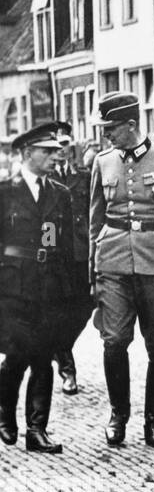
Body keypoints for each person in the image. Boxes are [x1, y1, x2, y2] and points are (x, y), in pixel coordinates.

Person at [88, 91, 154, 450]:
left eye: (111, 128)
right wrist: (92, 271)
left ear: (131, 125)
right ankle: (118, 415)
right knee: (114, 340)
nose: (107, 136)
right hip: (113, 259)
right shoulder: (102, 162)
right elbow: (95, 219)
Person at [0, 123, 77, 453]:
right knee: (17, 355)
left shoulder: (60, 193)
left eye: (55, 150)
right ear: (27, 153)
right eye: (47, 151)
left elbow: (64, 244)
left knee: (44, 354)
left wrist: (71, 288)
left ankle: (36, 429)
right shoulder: (5, 192)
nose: (54, 156)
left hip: (49, 286)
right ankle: (5, 413)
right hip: (13, 285)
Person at [52, 128, 94, 395]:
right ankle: (67, 368)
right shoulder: (45, 181)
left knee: (86, 308)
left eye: (65, 143)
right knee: (59, 311)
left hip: (82, 254)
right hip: (57, 258)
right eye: (56, 145)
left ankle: (60, 348)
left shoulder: (85, 177)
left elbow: (94, 213)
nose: (61, 149)